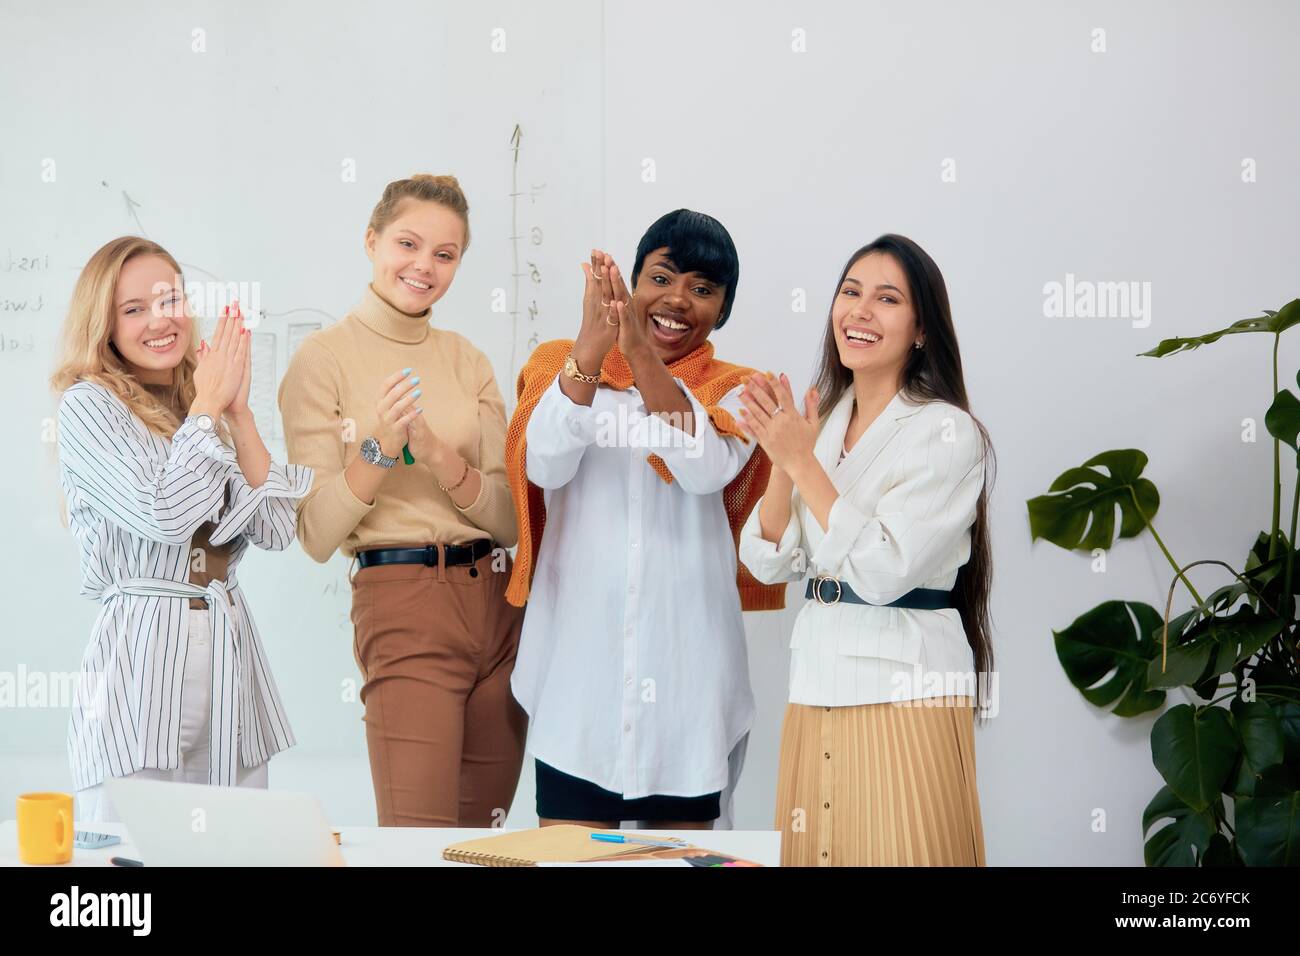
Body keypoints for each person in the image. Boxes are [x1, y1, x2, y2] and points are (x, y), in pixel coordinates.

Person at [505, 209, 785, 831]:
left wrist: (639, 355)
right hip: (577, 687)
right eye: (663, 276)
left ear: (723, 310)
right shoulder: (561, 366)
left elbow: (703, 468)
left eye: (703, 289)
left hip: (688, 692)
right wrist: (591, 347)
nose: (679, 300)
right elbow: (546, 465)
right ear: (632, 284)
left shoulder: (738, 391)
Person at [737, 233, 995, 866]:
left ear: (922, 330)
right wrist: (783, 460)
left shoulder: (946, 431)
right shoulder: (821, 423)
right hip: (816, 678)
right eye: (850, 292)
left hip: (905, 689)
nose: (859, 310)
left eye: (886, 298)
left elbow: (884, 568)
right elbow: (769, 561)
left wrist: (802, 461)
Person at [278, 174, 525, 827]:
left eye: (445, 255)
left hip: (499, 608)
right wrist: (382, 449)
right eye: (408, 243)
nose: (424, 266)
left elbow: (506, 520)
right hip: (405, 605)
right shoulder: (322, 360)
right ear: (371, 241)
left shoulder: (467, 360)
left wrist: (441, 458)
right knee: (417, 845)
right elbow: (315, 533)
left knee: (483, 844)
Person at [52, 237, 312, 822]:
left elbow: (274, 528)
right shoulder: (88, 406)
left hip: (228, 656)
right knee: (130, 855)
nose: (159, 319)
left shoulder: (207, 409)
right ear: (105, 326)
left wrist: (239, 415)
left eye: (168, 299)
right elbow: (164, 513)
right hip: (140, 660)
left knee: (232, 844)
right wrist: (208, 407)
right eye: (134, 308)